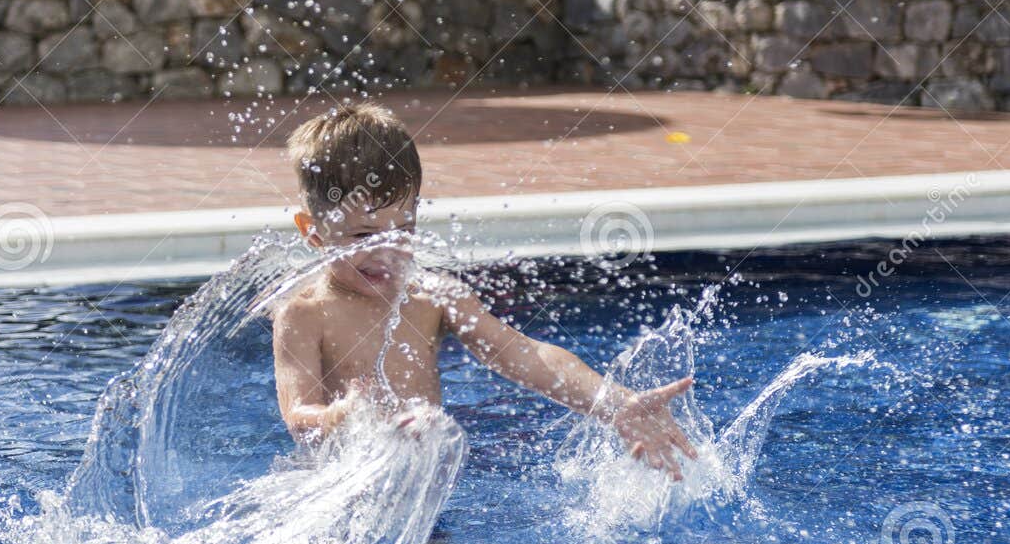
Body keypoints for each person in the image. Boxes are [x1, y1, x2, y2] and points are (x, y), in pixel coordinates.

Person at [272, 102, 698, 479]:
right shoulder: (305, 314)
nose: (386, 250)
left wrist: (613, 402)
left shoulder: (431, 298)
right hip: (340, 488)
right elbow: (298, 415)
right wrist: (340, 417)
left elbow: (521, 353)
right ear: (312, 231)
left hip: (422, 485)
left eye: (403, 229)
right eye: (363, 234)